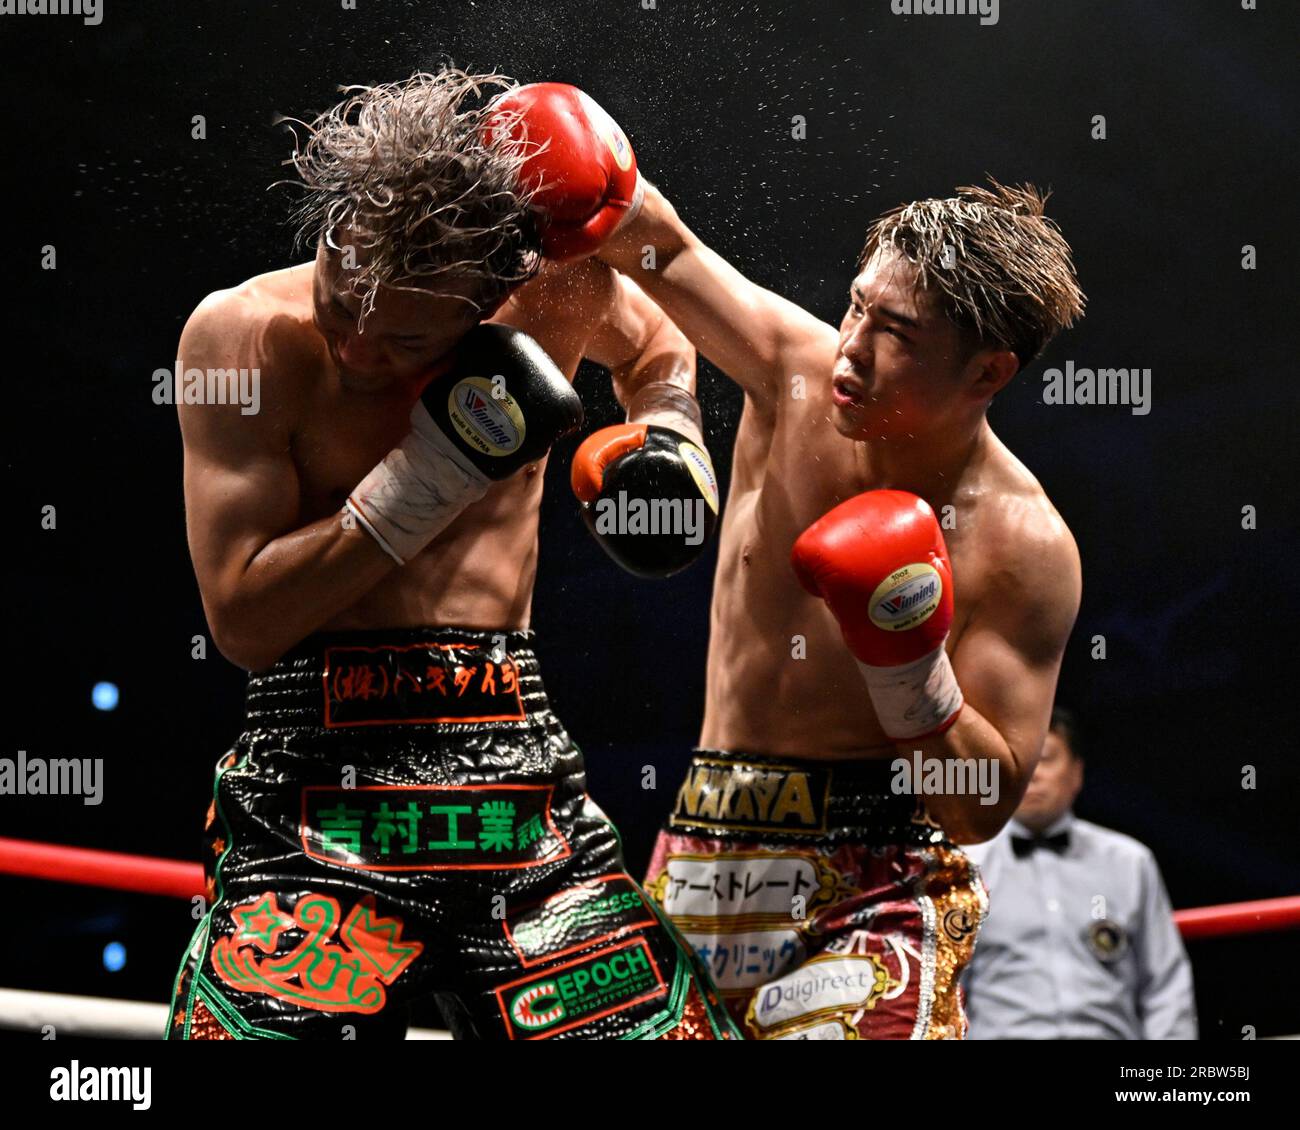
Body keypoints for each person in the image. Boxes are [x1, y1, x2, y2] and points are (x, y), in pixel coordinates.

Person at [164, 70, 736, 1040]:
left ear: (489, 302)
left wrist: (670, 434)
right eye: (342, 302)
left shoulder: (558, 294)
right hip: (318, 782)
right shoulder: (244, 339)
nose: (356, 349)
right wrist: (431, 473)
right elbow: (243, 623)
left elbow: (660, 344)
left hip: (516, 771)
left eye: (404, 338)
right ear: (332, 233)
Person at [506, 88, 1087, 1038]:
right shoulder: (795, 371)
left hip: (876, 881)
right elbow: (663, 249)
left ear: (988, 371)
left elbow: (979, 808)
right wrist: (582, 174)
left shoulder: (1025, 544)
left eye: (897, 334)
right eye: (857, 308)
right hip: (701, 849)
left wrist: (908, 664)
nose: (852, 350)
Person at [960, 708, 1198, 1039]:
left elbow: (1165, 988)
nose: (1032, 775)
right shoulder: (965, 869)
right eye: (1020, 762)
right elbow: (944, 993)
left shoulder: (1130, 862)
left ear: (1076, 773)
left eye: (1044, 759)